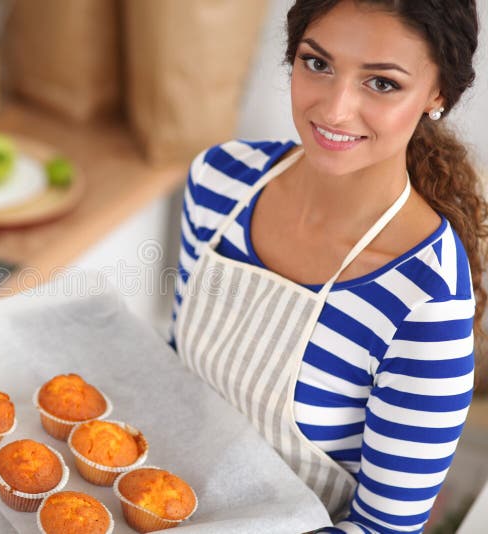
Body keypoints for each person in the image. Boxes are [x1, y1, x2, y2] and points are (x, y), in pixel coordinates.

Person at [170, 0, 487, 532]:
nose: (336, 110)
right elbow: (173, 378)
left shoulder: (426, 299)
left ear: (438, 94)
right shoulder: (219, 183)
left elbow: (382, 528)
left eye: (382, 83)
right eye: (318, 64)